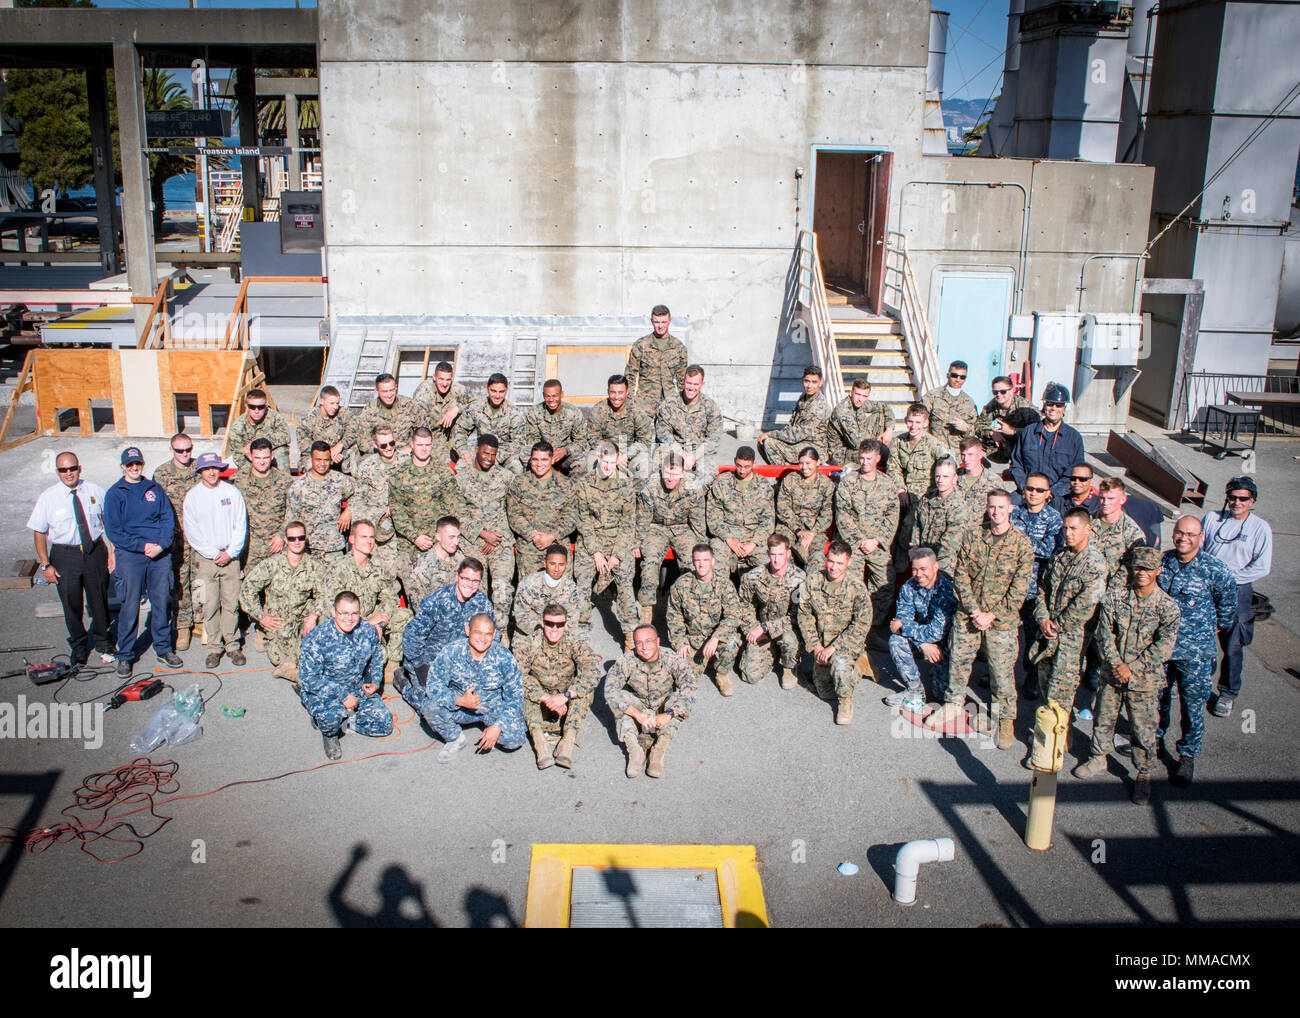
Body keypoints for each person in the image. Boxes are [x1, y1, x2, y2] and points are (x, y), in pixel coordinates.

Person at [925, 491, 1034, 750]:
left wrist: (991, 614)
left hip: (1002, 620)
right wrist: (975, 610)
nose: (995, 512)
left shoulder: (1021, 544)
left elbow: (1019, 588)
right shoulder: (974, 536)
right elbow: (961, 574)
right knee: (959, 661)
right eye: (992, 507)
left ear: (1010, 510)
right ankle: (953, 703)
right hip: (969, 614)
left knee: (1001, 673)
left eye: (1001, 507)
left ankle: (1004, 719)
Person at [1072, 546, 1181, 805]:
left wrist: (1130, 668)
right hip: (1112, 673)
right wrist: (1116, 662)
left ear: (1158, 571)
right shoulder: (1116, 596)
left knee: (1143, 729)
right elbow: (1104, 633)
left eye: (1147, 568)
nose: (1140, 572)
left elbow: (1163, 647)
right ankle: (1098, 757)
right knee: (1103, 718)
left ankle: (1143, 773)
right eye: (1137, 567)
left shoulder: (1167, 607)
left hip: (1143, 680)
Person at [1157, 515, 1238, 787]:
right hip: (1163, 650)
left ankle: (1187, 755)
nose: (1184, 538)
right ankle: (1154, 739)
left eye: (1190, 534)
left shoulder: (1215, 569)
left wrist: (1208, 631)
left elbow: (1227, 609)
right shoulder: (1162, 563)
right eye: (1180, 533)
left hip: (1196, 654)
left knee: (1192, 707)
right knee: (1158, 700)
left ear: (1200, 537)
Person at [28, 451, 116, 668]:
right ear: (57, 471)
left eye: (72, 468)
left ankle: (104, 641)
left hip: (95, 552)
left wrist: (112, 552)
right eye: (63, 470)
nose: (69, 473)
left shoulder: (94, 491)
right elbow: (39, 532)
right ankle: (78, 645)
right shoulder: (48, 497)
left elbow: (108, 523)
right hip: (65, 556)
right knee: (71, 604)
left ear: (80, 468)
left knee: (99, 600)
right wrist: (45, 564)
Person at [400, 612, 526, 763]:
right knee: (429, 707)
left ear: (494, 635)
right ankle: (455, 737)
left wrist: (498, 726)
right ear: (468, 631)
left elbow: (515, 696)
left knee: (514, 739)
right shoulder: (452, 652)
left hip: (491, 707)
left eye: (488, 634)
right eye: (478, 632)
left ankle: (489, 728)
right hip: (461, 708)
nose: (482, 639)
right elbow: (434, 686)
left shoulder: (504, 657)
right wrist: (459, 700)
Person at [1202, 475, 1272, 718]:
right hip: (1207, 587)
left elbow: (1262, 566)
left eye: (1243, 498)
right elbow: (1199, 548)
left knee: (1233, 645)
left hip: (1237, 589)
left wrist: (1230, 576)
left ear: (1252, 500)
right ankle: (1196, 680)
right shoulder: (1212, 518)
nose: (1237, 502)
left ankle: (1228, 693)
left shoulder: (1259, 528)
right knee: (1198, 636)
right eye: (1232, 497)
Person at [1030, 507, 1107, 727]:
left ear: (1087, 529)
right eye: (1065, 528)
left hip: (1071, 639)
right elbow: (1043, 588)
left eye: (1074, 528)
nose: (1068, 533)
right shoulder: (1059, 555)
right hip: (1047, 632)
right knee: (1045, 682)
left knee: (1061, 691)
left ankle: (1060, 739)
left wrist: (1057, 626)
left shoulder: (1094, 563)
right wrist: (1043, 618)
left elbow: (1086, 604)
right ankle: (1048, 732)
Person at [104, 447, 176, 678]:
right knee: (129, 603)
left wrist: (161, 545)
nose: (134, 468)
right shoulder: (116, 493)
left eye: (138, 464)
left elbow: (167, 518)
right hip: (131, 554)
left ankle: (163, 648)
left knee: (162, 600)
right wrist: (141, 546)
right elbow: (114, 530)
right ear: (123, 467)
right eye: (130, 465)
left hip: (158, 554)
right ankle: (125, 654)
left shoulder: (153, 488)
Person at [298, 591, 393, 760]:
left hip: (356, 687)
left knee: (384, 724)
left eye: (354, 613)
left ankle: (345, 721)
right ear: (333, 612)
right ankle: (329, 733)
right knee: (330, 718)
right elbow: (309, 679)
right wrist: (342, 696)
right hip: (326, 691)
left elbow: (376, 656)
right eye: (344, 613)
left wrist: (373, 680)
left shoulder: (367, 631)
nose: (349, 619)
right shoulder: (317, 638)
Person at [321, 519, 412, 682]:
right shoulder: (339, 568)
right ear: (352, 539)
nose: (369, 541)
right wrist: (367, 623)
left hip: (373, 617)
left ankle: (393, 664)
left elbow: (390, 596)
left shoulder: (377, 565)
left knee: (404, 615)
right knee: (372, 657)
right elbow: (332, 609)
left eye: (371, 537)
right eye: (363, 537)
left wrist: (381, 620)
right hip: (348, 623)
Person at [239, 521, 329, 683]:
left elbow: (324, 594)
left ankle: (303, 668)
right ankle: (297, 670)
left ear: (306, 539)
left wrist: (313, 616)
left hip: (302, 617)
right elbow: (247, 589)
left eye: (300, 538)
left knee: (321, 639)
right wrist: (261, 616)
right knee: (278, 654)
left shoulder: (314, 567)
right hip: (278, 619)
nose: (296, 542)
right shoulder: (272, 564)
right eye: (292, 538)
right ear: (285, 540)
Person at [605, 624, 699, 779]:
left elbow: (690, 685)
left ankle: (659, 750)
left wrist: (669, 714)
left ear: (657, 641)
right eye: (639, 643)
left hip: (663, 705)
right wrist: (637, 714)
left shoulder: (671, 658)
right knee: (619, 700)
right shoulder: (627, 660)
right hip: (640, 705)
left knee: (679, 700)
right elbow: (610, 690)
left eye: (648, 641)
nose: (644, 647)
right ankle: (635, 751)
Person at [514, 604, 601, 770]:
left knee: (585, 692)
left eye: (560, 624)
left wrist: (566, 696)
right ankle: (540, 744)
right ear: (542, 623)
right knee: (523, 692)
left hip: (565, 701)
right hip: (540, 700)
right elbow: (518, 675)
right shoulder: (529, 642)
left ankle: (567, 743)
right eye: (549, 624)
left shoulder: (574, 642)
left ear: (566, 624)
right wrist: (545, 697)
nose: (554, 629)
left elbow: (592, 671)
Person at [183, 452, 248, 669]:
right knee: (209, 604)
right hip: (206, 559)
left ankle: (232, 644)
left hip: (230, 557)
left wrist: (231, 552)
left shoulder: (232, 492)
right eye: (206, 469)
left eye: (215, 468)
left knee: (231, 603)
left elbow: (240, 524)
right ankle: (214, 647)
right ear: (200, 471)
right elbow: (192, 531)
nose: (211, 472)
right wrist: (212, 553)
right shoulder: (193, 496)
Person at [834, 439, 899, 655]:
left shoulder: (887, 484)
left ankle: (869, 628)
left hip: (877, 545)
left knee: (884, 586)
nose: (864, 462)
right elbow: (842, 515)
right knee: (850, 586)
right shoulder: (848, 483)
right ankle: (849, 630)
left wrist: (877, 540)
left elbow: (892, 515)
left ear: (878, 458)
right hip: (854, 545)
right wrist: (859, 541)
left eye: (869, 458)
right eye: (861, 458)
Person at [797, 539, 872, 725]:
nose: (834, 567)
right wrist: (815, 646)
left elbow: (861, 624)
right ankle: (856, 668)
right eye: (830, 561)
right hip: (821, 646)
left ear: (849, 562)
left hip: (845, 646)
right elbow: (804, 616)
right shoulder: (813, 581)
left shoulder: (857, 588)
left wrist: (834, 648)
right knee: (824, 692)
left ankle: (846, 701)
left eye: (840, 563)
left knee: (839, 665)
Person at [572, 442, 638, 645]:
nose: (608, 467)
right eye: (605, 461)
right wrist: (596, 553)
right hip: (592, 540)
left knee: (626, 584)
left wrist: (617, 554)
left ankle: (630, 634)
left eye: (612, 462)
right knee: (582, 583)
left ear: (617, 461)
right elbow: (582, 520)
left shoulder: (625, 484)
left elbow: (628, 523)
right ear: (599, 458)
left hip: (619, 539)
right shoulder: (583, 484)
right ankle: (580, 629)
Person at [453, 434, 515, 629]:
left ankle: (501, 633)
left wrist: (495, 537)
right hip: (472, 543)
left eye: (493, 455)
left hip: (500, 541)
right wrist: (482, 533)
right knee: (475, 590)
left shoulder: (505, 477)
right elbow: (457, 512)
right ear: (476, 450)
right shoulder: (461, 477)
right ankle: (477, 632)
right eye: (486, 453)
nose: (489, 458)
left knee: (502, 588)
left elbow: (513, 512)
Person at [634, 452, 706, 619]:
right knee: (650, 562)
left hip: (682, 528)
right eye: (667, 473)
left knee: (691, 561)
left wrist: (702, 545)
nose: (670, 478)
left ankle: (690, 607)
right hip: (656, 527)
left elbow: (697, 521)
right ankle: (646, 611)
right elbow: (643, 519)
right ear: (661, 470)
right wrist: (637, 542)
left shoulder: (692, 487)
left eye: (675, 473)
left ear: (683, 473)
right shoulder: (650, 486)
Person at [1010, 471, 1063, 697]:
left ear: (1048, 494)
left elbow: (1049, 551)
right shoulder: (1014, 514)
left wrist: (1020, 544)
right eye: (1030, 488)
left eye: (1039, 490)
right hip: (1011, 586)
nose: (1033, 493)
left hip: (1035, 589)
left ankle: (1031, 676)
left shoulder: (1054, 519)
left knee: (1033, 637)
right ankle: (1002, 673)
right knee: (1006, 634)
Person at [666, 543, 743, 697]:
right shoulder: (681, 585)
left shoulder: (724, 585)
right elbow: (674, 616)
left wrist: (715, 638)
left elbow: (734, 616)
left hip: (716, 636)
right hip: (692, 639)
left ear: (713, 561)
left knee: (731, 643)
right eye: (698, 560)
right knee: (682, 681)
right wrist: (680, 642)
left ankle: (721, 673)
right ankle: (704, 663)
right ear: (693, 562)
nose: (701, 564)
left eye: (706, 560)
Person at [883, 546, 957, 708]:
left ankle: (939, 672)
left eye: (923, 569)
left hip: (947, 644)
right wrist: (922, 644)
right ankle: (914, 690)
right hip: (924, 638)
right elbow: (901, 621)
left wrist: (907, 629)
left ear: (935, 567)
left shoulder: (946, 590)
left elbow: (936, 632)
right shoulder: (909, 587)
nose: (918, 574)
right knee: (896, 640)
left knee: (941, 693)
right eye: (915, 569)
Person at [737, 533, 806, 689]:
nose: (776, 559)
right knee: (750, 675)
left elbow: (798, 616)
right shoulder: (754, 577)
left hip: (786, 629)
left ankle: (789, 667)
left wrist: (766, 627)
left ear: (788, 553)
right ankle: (771, 652)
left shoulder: (799, 579)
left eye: (780, 554)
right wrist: (753, 629)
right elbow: (745, 605)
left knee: (789, 640)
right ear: (767, 554)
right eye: (773, 554)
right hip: (760, 630)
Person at [402, 559, 496, 669]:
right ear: (457, 576)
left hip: (464, 665)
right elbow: (412, 635)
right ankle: (405, 681)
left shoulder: (483, 604)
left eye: (475, 581)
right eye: (465, 579)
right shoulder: (437, 599)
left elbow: (494, 635)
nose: (470, 585)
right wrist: (419, 665)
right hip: (431, 663)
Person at [506, 441, 576, 581]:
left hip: (557, 547)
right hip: (529, 547)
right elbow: (514, 515)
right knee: (530, 594)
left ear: (552, 460)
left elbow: (572, 517)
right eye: (535, 459)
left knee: (560, 597)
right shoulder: (519, 483)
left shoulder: (566, 484)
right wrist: (533, 536)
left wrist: (551, 536)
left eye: (544, 459)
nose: (539, 464)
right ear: (530, 460)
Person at [388, 427, 458, 568]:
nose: (424, 449)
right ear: (412, 445)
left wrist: (436, 536)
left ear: (432, 445)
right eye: (420, 445)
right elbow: (397, 511)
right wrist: (415, 536)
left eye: (427, 445)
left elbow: (450, 508)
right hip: (408, 544)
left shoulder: (444, 473)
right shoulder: (399, 475)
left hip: (437, 542)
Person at [152, 433, 196, 650]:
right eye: (180, 450)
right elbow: (156, 510)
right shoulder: (161, 474)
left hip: (198, 537)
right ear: (172, 450)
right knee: (179, 583)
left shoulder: (200, 469)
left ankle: (202, 622)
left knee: (200, 580)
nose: (185, 454)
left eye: (188, 449)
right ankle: (183, 626)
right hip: (175, 538)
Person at [350, 424, 409, 575]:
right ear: (375, 445)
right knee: (380, 574)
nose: (389, 448)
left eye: (392, 443)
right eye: (383, 445)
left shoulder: (408, 463)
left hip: (406, 531)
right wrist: (375, 521)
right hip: (380, 532)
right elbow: (358, 501)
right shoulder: (367, 467)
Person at [706, 446, 775, 575]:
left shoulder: (763, 486)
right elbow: (713, 518)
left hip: (753, 537)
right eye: (739, 465)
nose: (742, 470)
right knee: (716, 565)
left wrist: (753, 543)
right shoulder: (722, 482)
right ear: (734, 461)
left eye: (747, 466)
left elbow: (768, 521)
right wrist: (728, 539)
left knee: (768, 566)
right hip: (726, 536)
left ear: (754, 464)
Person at [887, 403, 946, 552]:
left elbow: (948, 465)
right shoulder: (899, 442)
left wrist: (933, 492)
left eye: (918, 422)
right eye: (911, 421)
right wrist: (900, 489)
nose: (913, 426)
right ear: (906, 420)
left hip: (924, 496)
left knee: (909, 523)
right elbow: (893, 468)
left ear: (926, 423)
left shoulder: (934, 444)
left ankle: (903, 559)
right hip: (902, 493)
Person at [1010, 382, 1084, 499]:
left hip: (1058, 496)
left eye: (1058, 405)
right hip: (1028, 493)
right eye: (1050, 404)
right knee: (1005, 506)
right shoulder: (1028, 432)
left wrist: (1053, 492)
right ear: (1044, 405)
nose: (1054, 408)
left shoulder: (1073, 438)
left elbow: (1075, 471)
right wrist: (1025, 487)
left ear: (1064, 408)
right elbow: (1016, 465)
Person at [655, 364, 722, 488]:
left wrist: (694, 456)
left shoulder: (711, 407)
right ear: (683, 382)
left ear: (702, 385)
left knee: (708, 474)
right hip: (674, 448)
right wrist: (679, 451)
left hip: (700, 451)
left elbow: (714, 439)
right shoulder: (669, 403)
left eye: (696, 384)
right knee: (655, 468)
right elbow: (662, 430)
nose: (691, 387)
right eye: (688, 383)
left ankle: (694, 503)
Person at [287, 441, 354, 559]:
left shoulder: (339, 479)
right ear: (310, 459)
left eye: (326, 460)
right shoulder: (299, 486)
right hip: (308, 549)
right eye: (318, 459)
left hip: (333, 548)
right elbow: (291, 516)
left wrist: (348, 510)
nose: (322, 464)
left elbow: (359, 494)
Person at [453, 373, 526, 474]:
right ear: (487, 389)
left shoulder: (514, 413)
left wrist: (498, 457)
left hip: (503, 455)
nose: (497, 395)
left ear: (506, 390)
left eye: (501, 392)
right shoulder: (476, 408)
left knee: (516, 467)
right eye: (493, 391)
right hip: (481, 452)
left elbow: (519, 442)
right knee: (462, 466)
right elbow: (460, 429)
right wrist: (463, 451)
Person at [776, 446, 835, 573]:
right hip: (790, 527)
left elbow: (827, 514)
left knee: (817, 558)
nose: (804, 467)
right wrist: (798, 530)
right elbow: (782, 508)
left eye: (808, 463)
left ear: (818, 462)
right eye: (801, 463)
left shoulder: (826, 485)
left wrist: (812, 533)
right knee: (785, 553)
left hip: (814, 529)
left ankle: (810, 588)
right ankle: (789, 587)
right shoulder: (790, 480)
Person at [237, 438, 292, 571]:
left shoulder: (285, 481)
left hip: (276, 547)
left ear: (272, 456)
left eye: (266, 457)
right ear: (250, 457)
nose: (262, 462)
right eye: (257, 457)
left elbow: (293, 511)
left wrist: (281, 535)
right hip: (250, 550)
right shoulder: (239, 481)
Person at [585, 374, 654, 476]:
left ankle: (638, 491)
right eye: (613, 392)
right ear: (608, 392)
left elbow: (644, 440)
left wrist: (627, 455)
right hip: (606, 453)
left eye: (620, 392)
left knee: (645, 464)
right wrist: (611, 455)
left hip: (629, 454)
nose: (616, 397)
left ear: (627, 392)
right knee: (590, 460)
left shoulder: (637, 410)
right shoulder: (598, 410)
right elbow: (592, 437)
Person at [758, 365, 830, 464]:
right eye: (807, 381)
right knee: (762, 443)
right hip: (800, 442)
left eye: (814, 382)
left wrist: (771, 434)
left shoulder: (818, 406)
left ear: (820, 383)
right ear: (802, 380)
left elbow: (797, 435)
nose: (809, 386)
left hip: (814, 447)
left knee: (770, 443)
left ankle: (784, 478)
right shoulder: (804, 397)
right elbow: (791, 424)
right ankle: (785, 476)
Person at [914, 457, 973, 576]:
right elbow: (916, 524)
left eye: (945, 477)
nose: (940, 480)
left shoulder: (958, 506)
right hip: (921, 557)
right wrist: (914, 547)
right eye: (937, 476)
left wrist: (926, 559)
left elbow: (948, 544)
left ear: (955, 479)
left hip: (945, 563)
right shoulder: (927, 498)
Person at [624, 304, 689, 412]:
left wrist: (684, 403)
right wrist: (629, 401)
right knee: (640, 429)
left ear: (669, 321)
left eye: (663, 322)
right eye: (656, 322)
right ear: (651, 321)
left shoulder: (679, 347)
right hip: (644, 402)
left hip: (669, 401)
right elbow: (630, 374)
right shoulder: (641, 345)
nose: (660, 326)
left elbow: (682, 378)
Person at [513, 544, 582, 640]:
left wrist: (556, 633)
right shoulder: (528, 583)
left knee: (581, 642)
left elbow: (573, 617)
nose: (557, 569)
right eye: (552, 564)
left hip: (560, 632)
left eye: (561, 565)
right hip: (532, 632)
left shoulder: (571, 587)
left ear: (567, 564)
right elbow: (520, 615)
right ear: (545, 563)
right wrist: (543, 631)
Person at [522, 379, 587, 474]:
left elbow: (581, 441)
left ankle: (573, 488)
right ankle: (531, 485)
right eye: (547, 396)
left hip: (564, 456)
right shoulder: (534, 413)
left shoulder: (574, 413)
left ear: (561, 394)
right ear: (544, 395)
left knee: (580, 461)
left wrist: (565, 450)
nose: (551, 400)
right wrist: (545, 453)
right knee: (525, 454)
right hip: (542, 454)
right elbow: (531, 439)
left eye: (555, 395)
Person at [827, 377, 894, 467]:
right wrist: (877, 442)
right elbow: (857, 443)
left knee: (880, 415)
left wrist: (889, 430)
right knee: (884, 454)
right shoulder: (842, 411)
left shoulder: (862, 403)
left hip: (858, 445)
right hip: (841, 454)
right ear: (851, 393)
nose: (860, 399)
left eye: (864, 396)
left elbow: (886, 408)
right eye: (858, 394)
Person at [1090, 478, 1146, 584]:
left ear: (1122, 500)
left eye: (1111, 499)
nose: (1105, 503)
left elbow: (1131, 570)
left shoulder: (1132, 532)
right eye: (1102, 498)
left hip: (1112, 589)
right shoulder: (1087, 522)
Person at [403, 515, 465, 608]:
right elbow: (421, 607)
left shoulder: (459, 557)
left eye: (458, 537)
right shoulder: (425, 564)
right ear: (438, 537)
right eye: (451, 537)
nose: (456, 542)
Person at [973, 375, 1038, 460]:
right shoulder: (992, 405)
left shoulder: (1025, 407)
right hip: (1003, 444)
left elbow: (1038, 430)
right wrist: (992, 433)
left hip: (1024, 445)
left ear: (1011, 391)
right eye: (995, 392)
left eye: (1003, 391)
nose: (999, 395)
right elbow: (978, 425)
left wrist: (1014, 431)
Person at [412, 360, 469, 455]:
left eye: (448, 380)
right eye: (441, 379)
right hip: (429, 435)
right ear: (434, 377)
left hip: (452, 433)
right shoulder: (423, 395)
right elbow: (420, 430)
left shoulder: (457, 388)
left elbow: (476, 403)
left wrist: (456, 409)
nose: (445, 384)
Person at [350, 372, 418, 451]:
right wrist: (383, 450)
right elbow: (362, 442)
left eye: (391, 390)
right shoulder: (369, 410)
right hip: (381, 453)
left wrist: (411, 448)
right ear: (376, 391)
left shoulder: (409, 405)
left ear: (396, 387)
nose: (389, 395)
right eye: (384, 392)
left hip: (406, 452)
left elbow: (423, 432)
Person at [227, 388, 290, 471]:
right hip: (250, 460)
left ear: (266, 405)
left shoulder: (274, 417)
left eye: (260, 407)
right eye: (252, 407)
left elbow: (286, 436)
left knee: (281, 451)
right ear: (246, 405)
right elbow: (238, 456)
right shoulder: (237, 427)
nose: (256, 411)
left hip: (270, 457)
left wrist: (255, 444)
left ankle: (284, 481)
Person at [924, 360, 979, 453]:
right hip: (935, 451)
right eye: (954, 375)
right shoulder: (933, 396)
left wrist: (966, 429)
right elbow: (921, 423)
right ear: (947, 375)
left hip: (958, 455)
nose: (958, 379)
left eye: (962, 377)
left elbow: (974, 433)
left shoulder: (969, 402)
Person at [295, 385, 352, 472]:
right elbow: (304, 444)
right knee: (310, 465)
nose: (335, 407)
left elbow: (354, 430)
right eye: (332, 403)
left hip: (337, 455)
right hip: (316, 456)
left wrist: (340, 445)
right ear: (321, 401)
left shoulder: (343, 413)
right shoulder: (309, 417)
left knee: (353, 455)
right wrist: (327, 453)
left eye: (337, 403)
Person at [956, 435, 1001, 519]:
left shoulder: (994, 482)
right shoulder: (953, 477)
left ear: (980, 454)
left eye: (970, 454)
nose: (966, 459)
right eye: (963, 455)